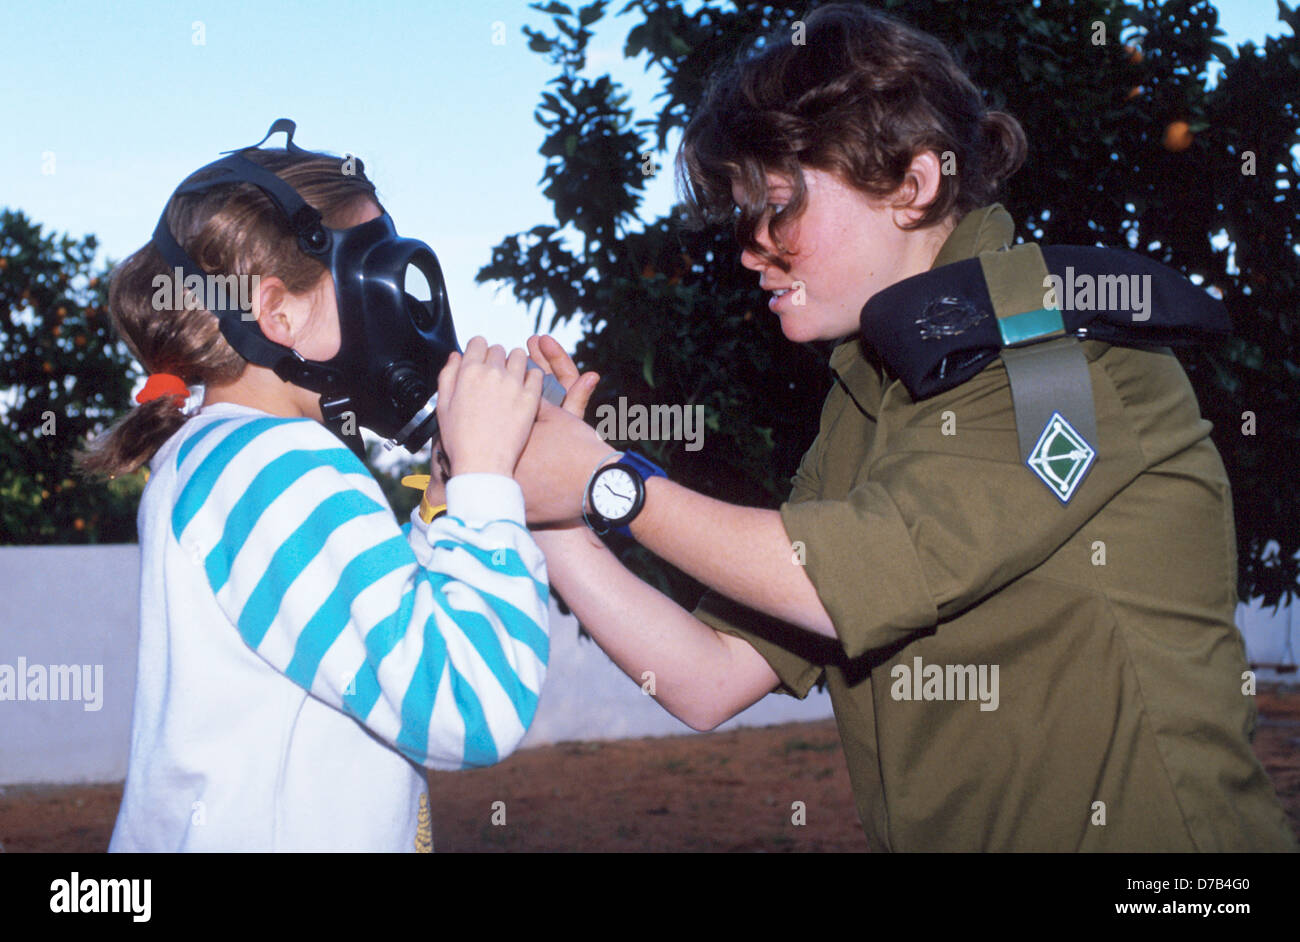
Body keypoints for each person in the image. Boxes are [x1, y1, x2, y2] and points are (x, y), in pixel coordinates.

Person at [502, 4, 1298, 851]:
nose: (749, 249)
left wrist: (604, 478)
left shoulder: (1058, 348)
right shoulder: (867, 397)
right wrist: (549, 506)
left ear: (913, 187)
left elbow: (839, 582)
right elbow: (707, 677)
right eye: (741, 218)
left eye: (776, 207)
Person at [79, 142, 550, 852]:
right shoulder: (278, 463)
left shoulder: (211, 454)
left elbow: (376, 632)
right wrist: (488, 481)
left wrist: (448, 495)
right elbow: (471, 702)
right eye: (368, 278)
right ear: (279, 314)